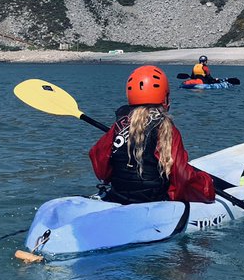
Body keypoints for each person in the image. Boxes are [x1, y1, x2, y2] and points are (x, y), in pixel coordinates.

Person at [89, 65, 215, 204]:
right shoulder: (165, 128)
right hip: (153, 200)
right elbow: (182, 177)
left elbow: (100, 167)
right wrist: (206, 187)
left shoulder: (118, 126)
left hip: (118, 196)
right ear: (165, 98)